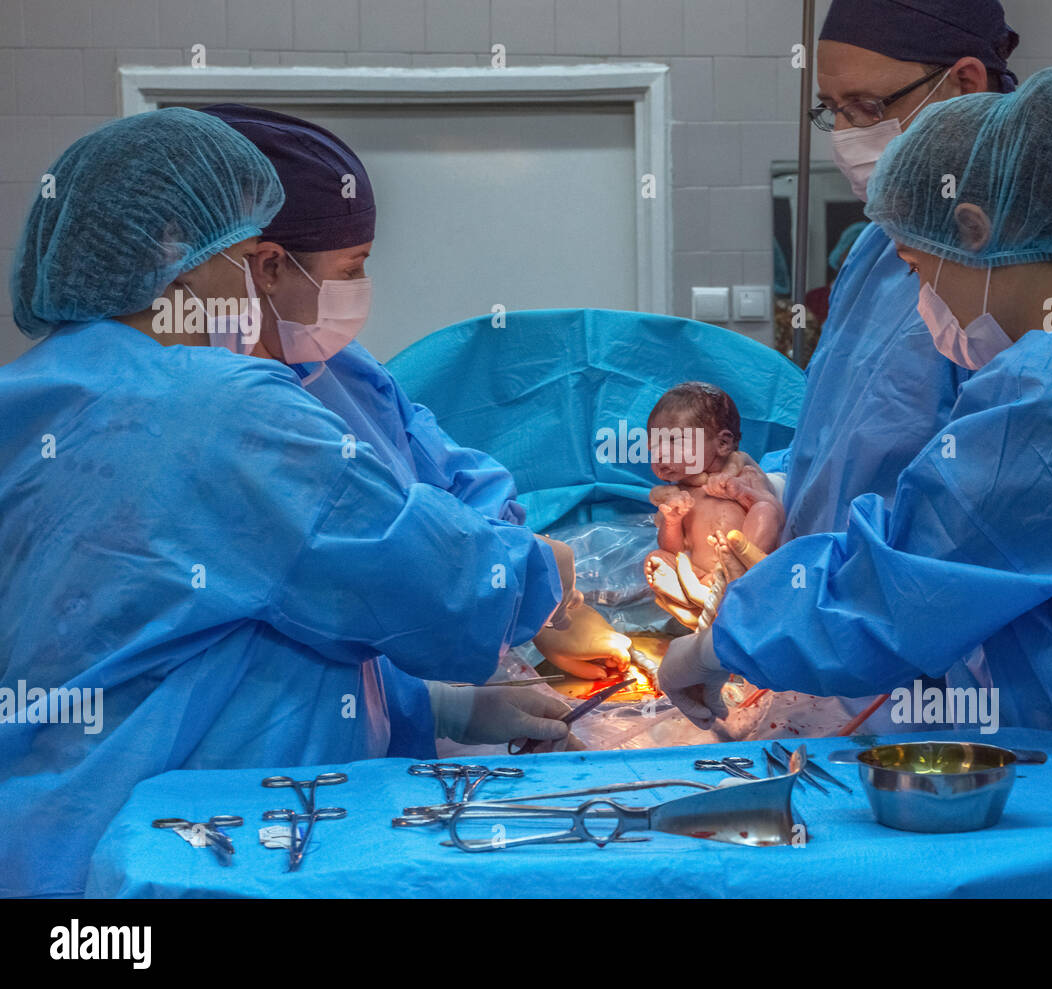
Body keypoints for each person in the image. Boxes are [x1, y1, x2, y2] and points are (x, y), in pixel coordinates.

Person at [659, 66, 1052, 898]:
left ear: (972, 226)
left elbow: (886, 588)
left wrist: (715, 643)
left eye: (924, 276)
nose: (928, 308)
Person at [0, 109, 568, 897]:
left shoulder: (31, 394)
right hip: (176, 863)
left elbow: (184, 637)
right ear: (181, 257)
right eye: (247, 259)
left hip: (41, 849)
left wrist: (445, 708)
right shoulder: (222, 406)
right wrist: (546, 570)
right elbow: (440, 584)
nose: (260, 285)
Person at [197, 106, 631, 742]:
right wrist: (435, 698)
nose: (363, 285)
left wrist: (541, 610)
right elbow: (353, 577)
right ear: (267, 266)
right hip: (275, 756)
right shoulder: (218, 415)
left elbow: (447, 475)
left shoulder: (341, 371)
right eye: (350, 268)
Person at [763, 0, 1020, 539]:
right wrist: (776, 490)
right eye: (830, 108)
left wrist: (795, 606)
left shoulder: (1020, 259)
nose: (844, 134)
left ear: (965, 83)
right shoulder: (880, 245)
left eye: (867, 107)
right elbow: (835, 428)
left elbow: (967, 531)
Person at [642, 382, 783, 588]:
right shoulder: (678, 496)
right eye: (654, 445)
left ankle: (737, 567)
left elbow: (774, 512)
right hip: (703, 578)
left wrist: (742, 493)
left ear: (722, 444)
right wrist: (673, 521)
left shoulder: (743, 476)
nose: (660, 454)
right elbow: (673, 548)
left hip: (750, 567)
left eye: (674, 441)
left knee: (765, 508)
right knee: (657, 557)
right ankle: (693, 589)